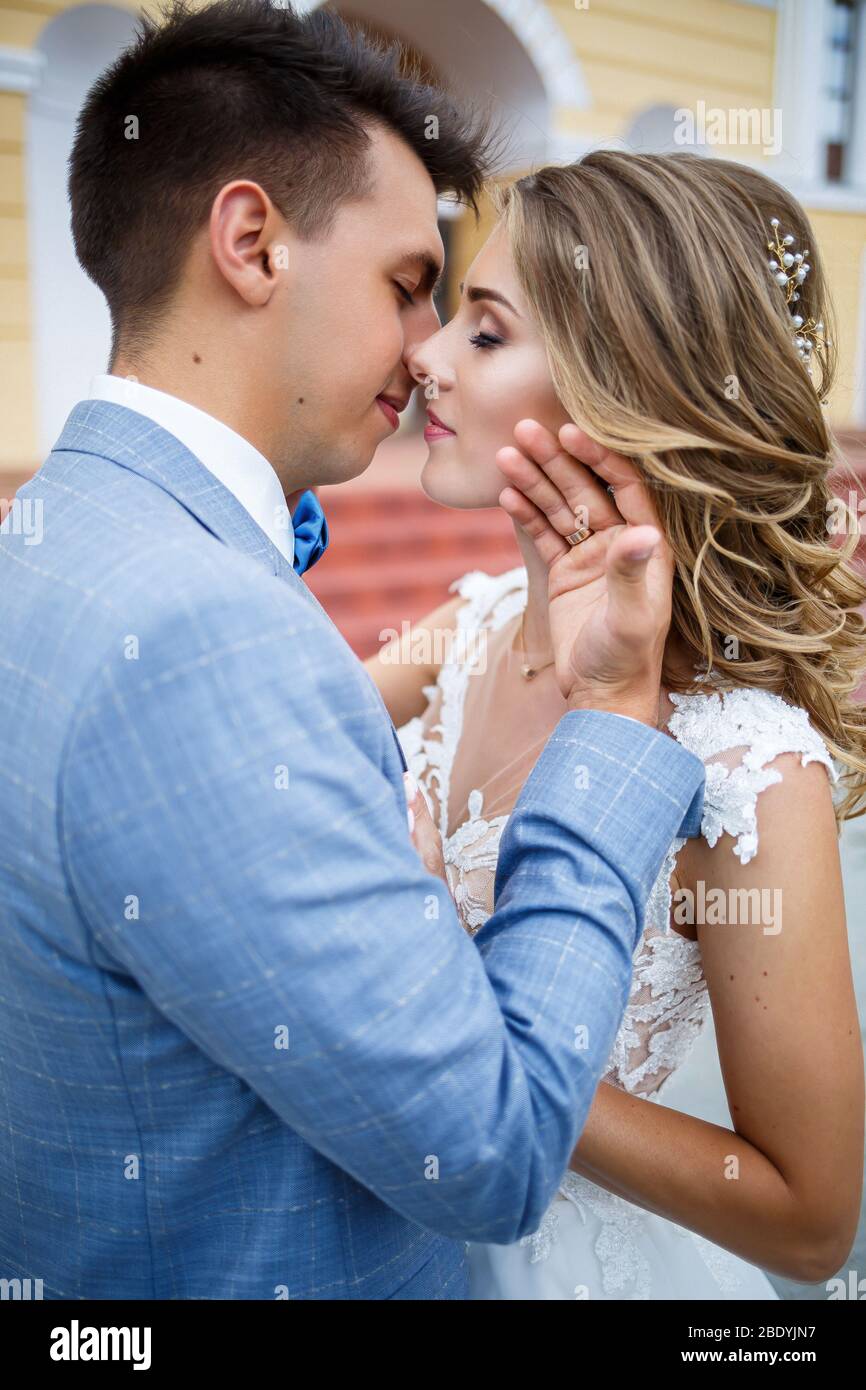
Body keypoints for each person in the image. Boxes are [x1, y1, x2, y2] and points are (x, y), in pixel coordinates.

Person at [0, 2, 704, 1299]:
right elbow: (487, 1152)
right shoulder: (198, 631)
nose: (423, 348)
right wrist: (610, 717)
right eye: (405, 283)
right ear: (253, 241)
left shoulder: (51, 534)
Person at [367, 150, 866, 1299]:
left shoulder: (745, 769)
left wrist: (477, 1033)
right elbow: (269, 757)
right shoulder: (469, 623)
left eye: (484, 332)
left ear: (621, 398)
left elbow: (808, 1221)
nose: (425, 353)